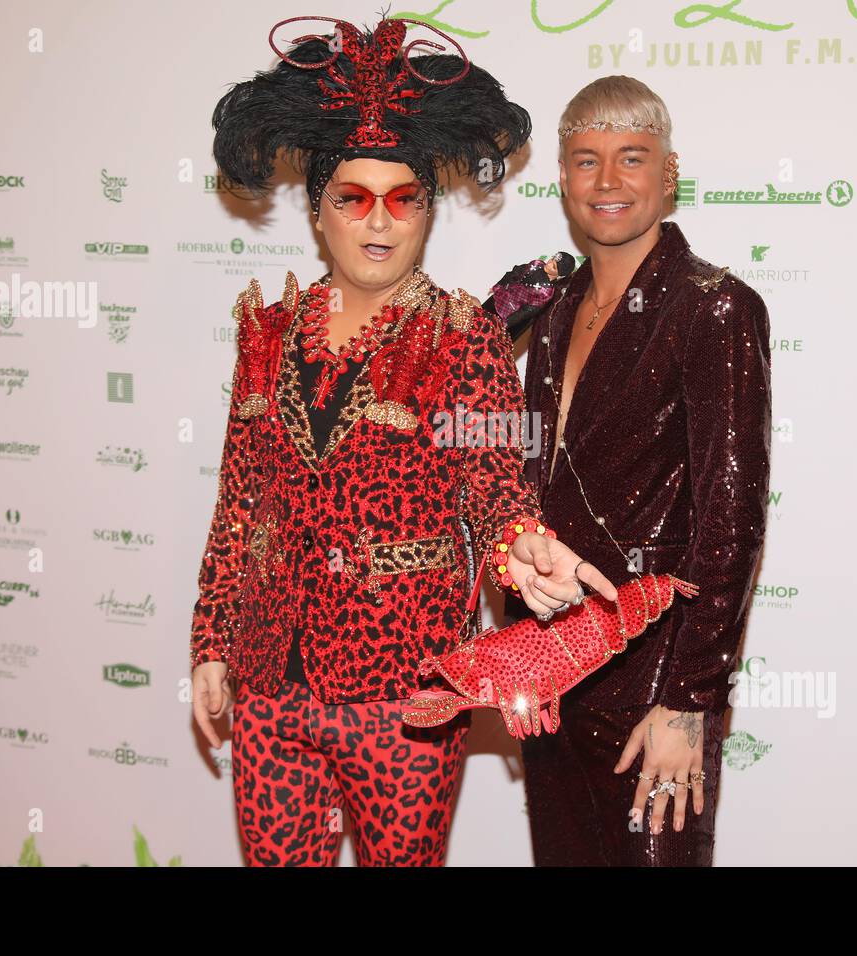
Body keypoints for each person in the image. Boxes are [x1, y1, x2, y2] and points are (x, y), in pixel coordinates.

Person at [188, 15, 616, 867]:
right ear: (318, 212)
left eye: (402, 199)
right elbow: (238, 503)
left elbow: (494, 484)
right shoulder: (265, 334)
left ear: (424, 211)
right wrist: (210, 642)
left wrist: (523, 548)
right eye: (353, 198)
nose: (378, 221)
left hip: (406, 693)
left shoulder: (466, 339)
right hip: (271, 684)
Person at [493, 75, 772, 866]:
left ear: (669, 173)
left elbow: (731, 517)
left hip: (654, 678)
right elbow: (527, 486)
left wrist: (690, 700)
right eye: (586, 160)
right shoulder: (544, 309)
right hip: (550, 668)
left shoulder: (713, 305)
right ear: (561, 178)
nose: (607, 181)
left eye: (631, 158)